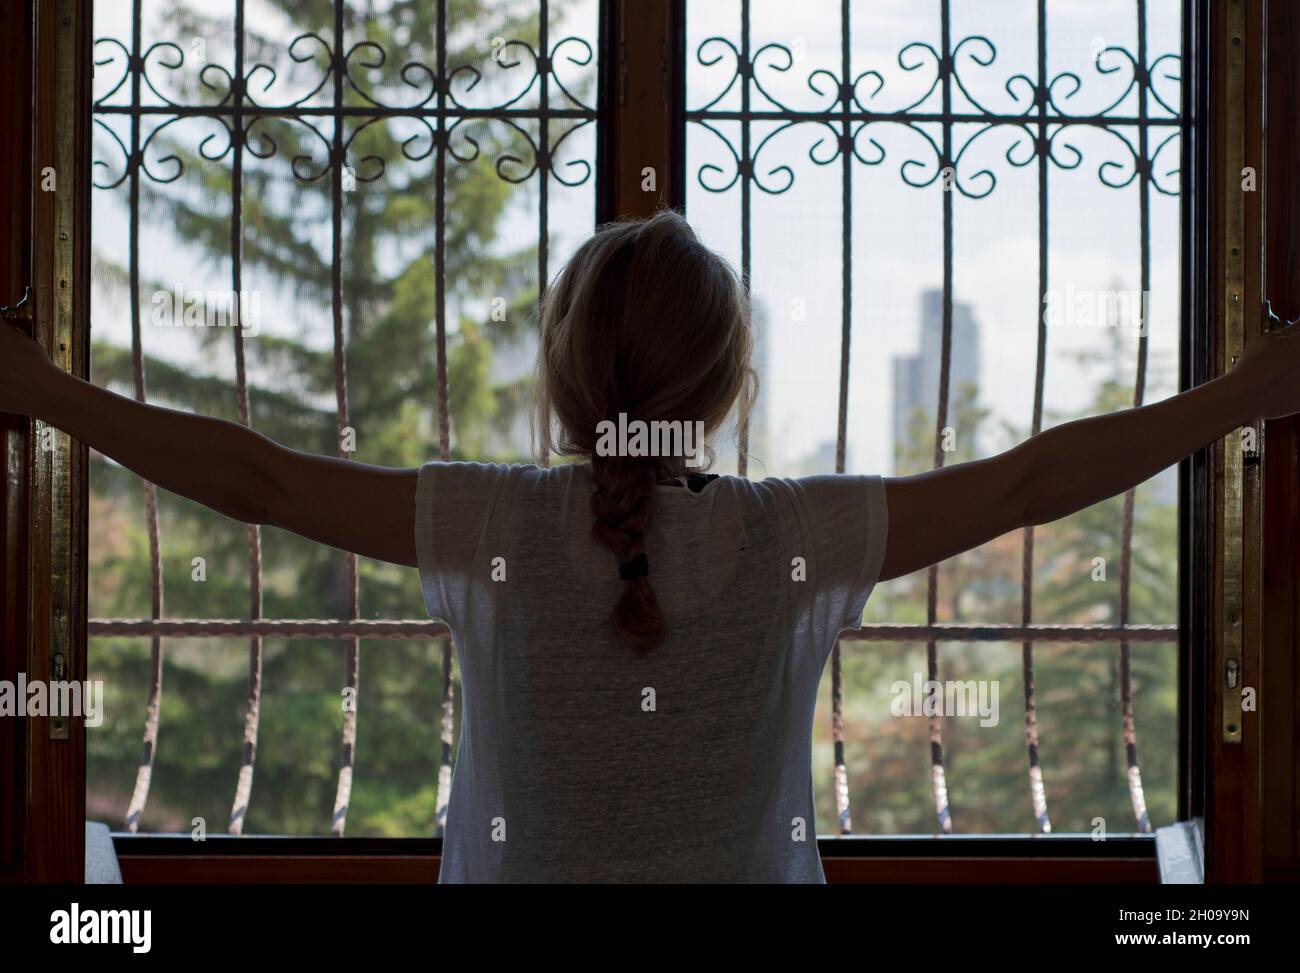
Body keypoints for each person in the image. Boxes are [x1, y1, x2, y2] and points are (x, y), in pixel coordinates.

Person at [1, 210, 1295, 882]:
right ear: (728, 388)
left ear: (561, 381)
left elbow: (261, 480)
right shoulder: (798, 536)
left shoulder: (493, 525)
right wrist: (1244, 393)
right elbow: (1031, 478)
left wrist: (46, 392)